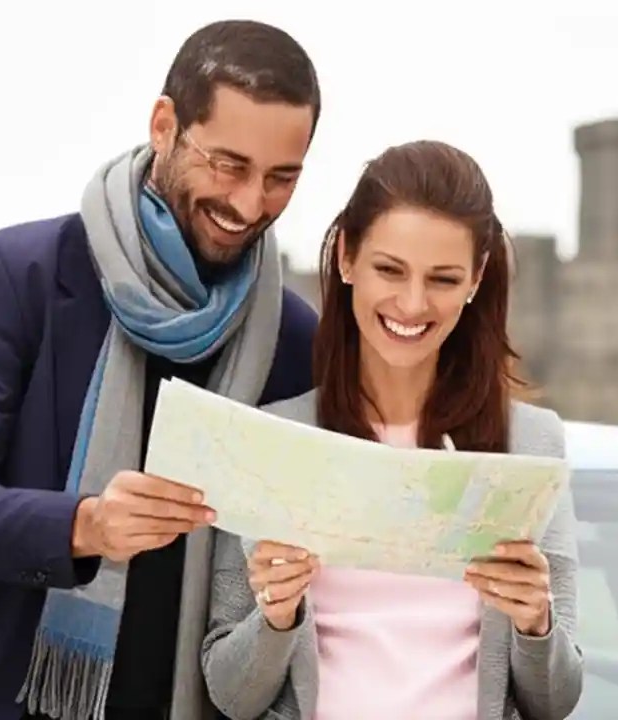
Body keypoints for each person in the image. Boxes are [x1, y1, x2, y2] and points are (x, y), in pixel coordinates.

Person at [0, 20, 323, 720]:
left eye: (281, 178)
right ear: (164, 125)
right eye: (229, 165)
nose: (248, 204)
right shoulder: (13, 277)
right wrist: (86, 526)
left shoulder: (295, 339)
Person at [200, 140, 584, 719]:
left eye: (443, 279)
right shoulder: (276, 442)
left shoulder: (530, 446)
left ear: (477, 279)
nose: (411, 303)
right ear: (347, 258)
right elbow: (229, 694)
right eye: (390, 269)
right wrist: (277, 617)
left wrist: (536, 623)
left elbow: (556, 701)